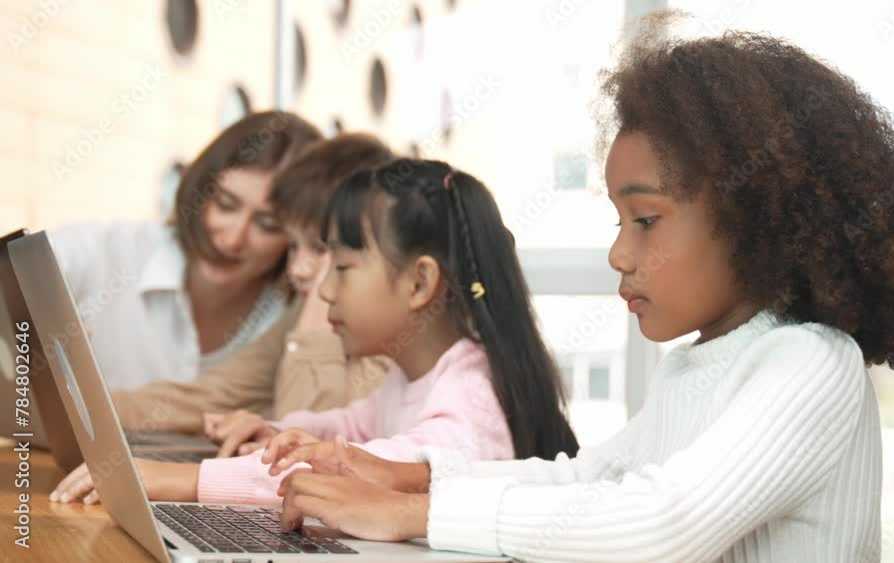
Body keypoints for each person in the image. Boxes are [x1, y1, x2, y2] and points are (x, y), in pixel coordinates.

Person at [259, 13, 894, 562]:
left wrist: (412, 513)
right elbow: (581, 482)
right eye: (620, 220)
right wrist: (400, 477)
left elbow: (663, 521)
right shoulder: (695, 364)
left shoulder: (812, 363)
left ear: (751, 218)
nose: (619, 252)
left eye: (646, 220)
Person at [51, 158, 580, 506]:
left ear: (419, 282)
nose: (324, 291)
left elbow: (356, 473)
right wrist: (280, 432)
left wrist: (181, 481)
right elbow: (350, 428)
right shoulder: (415, 375)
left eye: (343, 267)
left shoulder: (470, 394)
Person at [108, 133, 397, 445]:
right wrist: (88, 412)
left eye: (319, 248)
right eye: (293, 246)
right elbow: (213, 395)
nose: (296, 268)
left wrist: (318, 309)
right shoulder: (304, 313)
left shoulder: (394, 338)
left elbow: (309, 458)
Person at [49, 111, 322, 390]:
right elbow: (19, 266)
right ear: (198, 189)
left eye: (267, 224)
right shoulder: (107, 251)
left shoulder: (301, 313)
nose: (233, 239)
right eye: (225, 204)